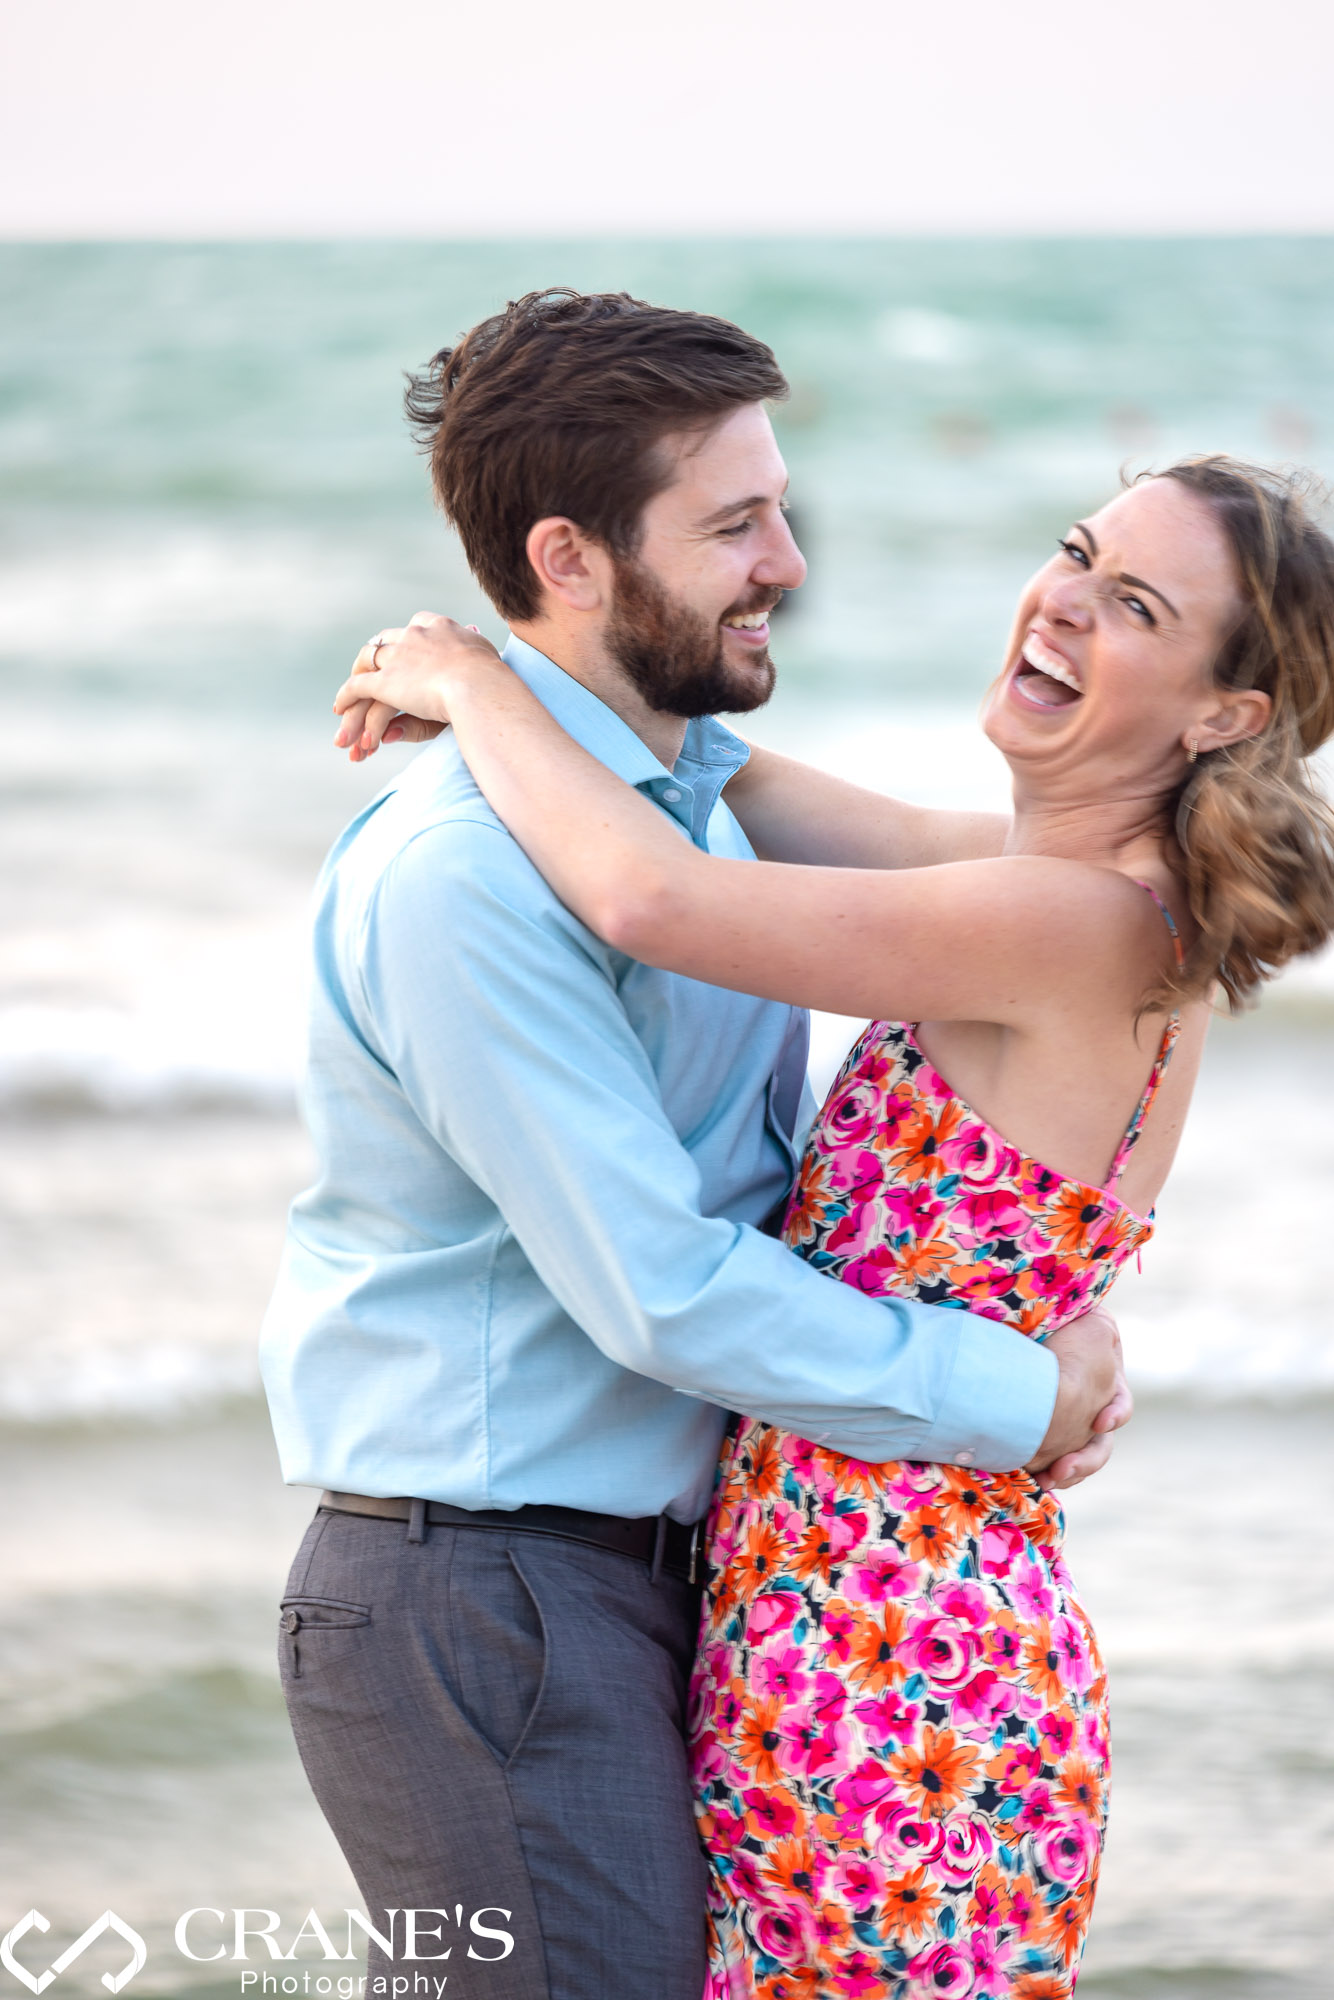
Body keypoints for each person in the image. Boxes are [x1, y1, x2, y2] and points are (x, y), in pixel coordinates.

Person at [333, 450, 1334, 1997]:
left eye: (1130, 605)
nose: (1061, 600)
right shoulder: (1071, 889)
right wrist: (541, 692)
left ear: (1225, 716)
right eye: (1075, 549)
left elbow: (656, 900)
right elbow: (725, 782)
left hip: (883, 1654)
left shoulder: (1064, 919)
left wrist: (471, 682)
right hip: (906, 1614)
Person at [260, 289, 1129, 2000]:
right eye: (734, 525)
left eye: (778, 507)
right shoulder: (466, 878)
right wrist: (1019, 1397)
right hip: (484, 1596)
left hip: (656, 1582)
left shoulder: (692, 798)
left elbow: (1023, 895)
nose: (787, 561)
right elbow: (657, 1287)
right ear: (569, 558)